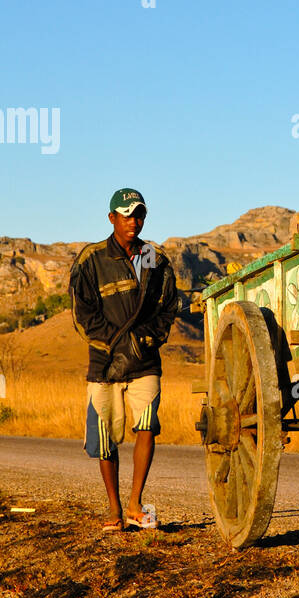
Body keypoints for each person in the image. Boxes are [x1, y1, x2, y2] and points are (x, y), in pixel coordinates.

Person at [70, 187, 179, 532]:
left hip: (145, 360)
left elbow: (167, 307)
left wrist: (144, 340)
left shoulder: (155, 259)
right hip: (104, 363)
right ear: (112, 218)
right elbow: (82, 314)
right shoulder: (92, 260)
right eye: (127, 215)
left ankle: (135, 504)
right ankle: (115, 510)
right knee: (105, 438)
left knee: (147, 425)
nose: (135, 221)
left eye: (140, 214)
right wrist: (116, 345)